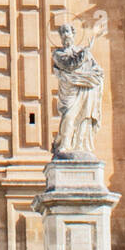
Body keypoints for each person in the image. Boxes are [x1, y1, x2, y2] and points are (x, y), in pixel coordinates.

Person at [50, 22, 104, 158]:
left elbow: (97, 70)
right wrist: (86, 51)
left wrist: (90, 77)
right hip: (69, 92)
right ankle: (64, 145)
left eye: (67, 32)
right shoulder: (58, 54)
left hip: (85, 92)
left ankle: (79, 145)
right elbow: (69, 65)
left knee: (81, 118)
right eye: (62, 33)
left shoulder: (82, 52)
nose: (65, 35)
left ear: (73, 34)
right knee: (68, 116)